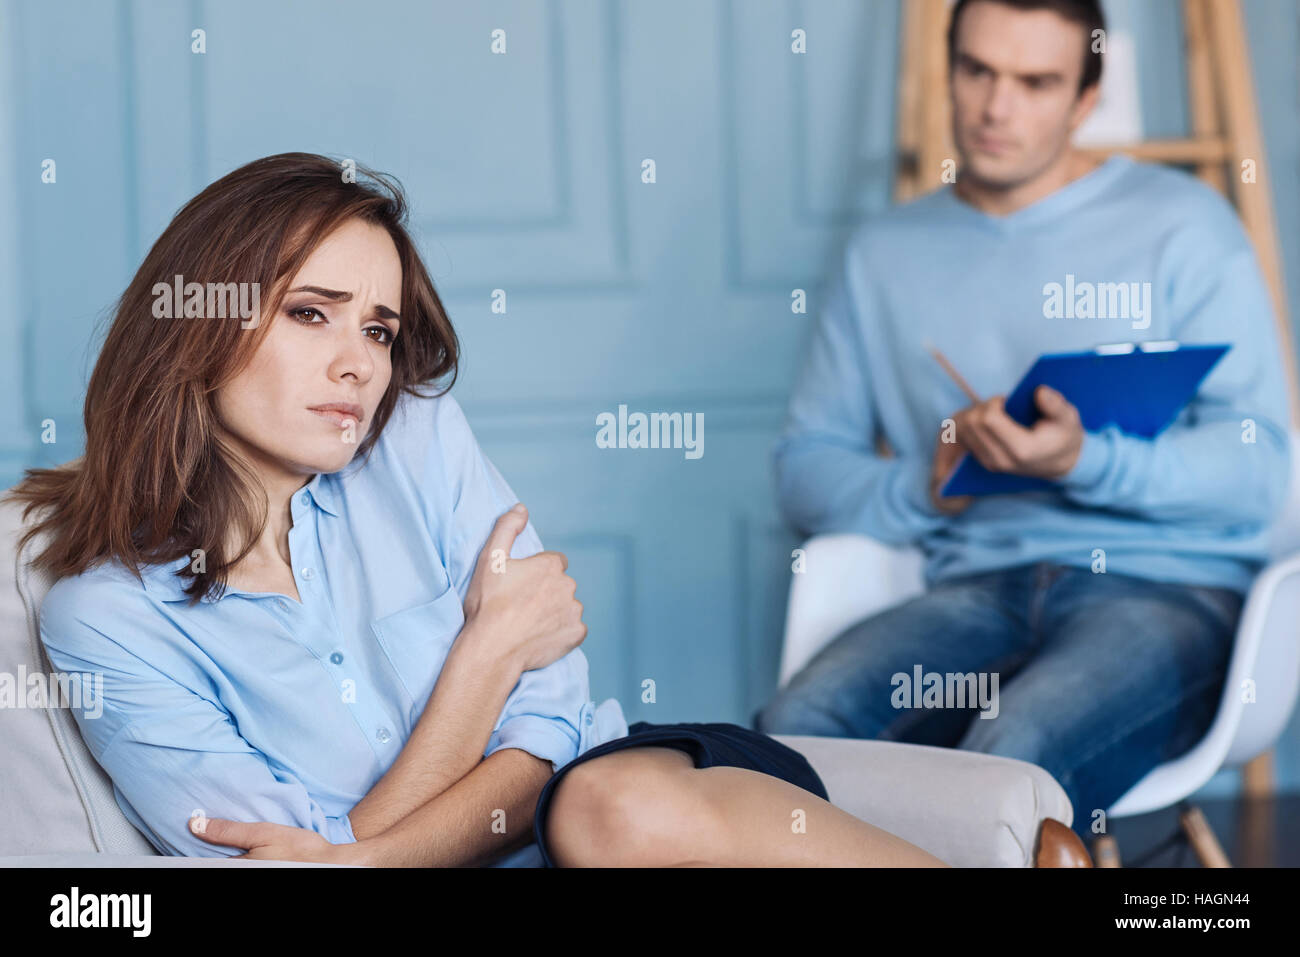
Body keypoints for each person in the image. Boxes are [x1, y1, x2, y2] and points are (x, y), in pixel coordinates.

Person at [10, 152, 946, 867]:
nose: (360, 363)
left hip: (633, 819)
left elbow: (551, 724)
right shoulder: (110, 622)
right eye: (311, 312)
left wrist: (366, 852)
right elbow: (280, 857)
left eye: (378, 327)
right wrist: (485, 654)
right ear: (198, 326)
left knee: (602, 807)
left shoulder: (412, 435)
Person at [754, 0, 1292, 844]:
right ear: (951, 70)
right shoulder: (884, 255)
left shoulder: (1185, 227)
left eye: (1036, 82)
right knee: (794, 732)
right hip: (972, 591)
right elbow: (804, 469)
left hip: (1167, 595)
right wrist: (929, 482)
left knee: (1008, 761)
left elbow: (1261, 474)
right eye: (978, 72)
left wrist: (1085, 460)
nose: (997, 109)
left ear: (1086, 99)